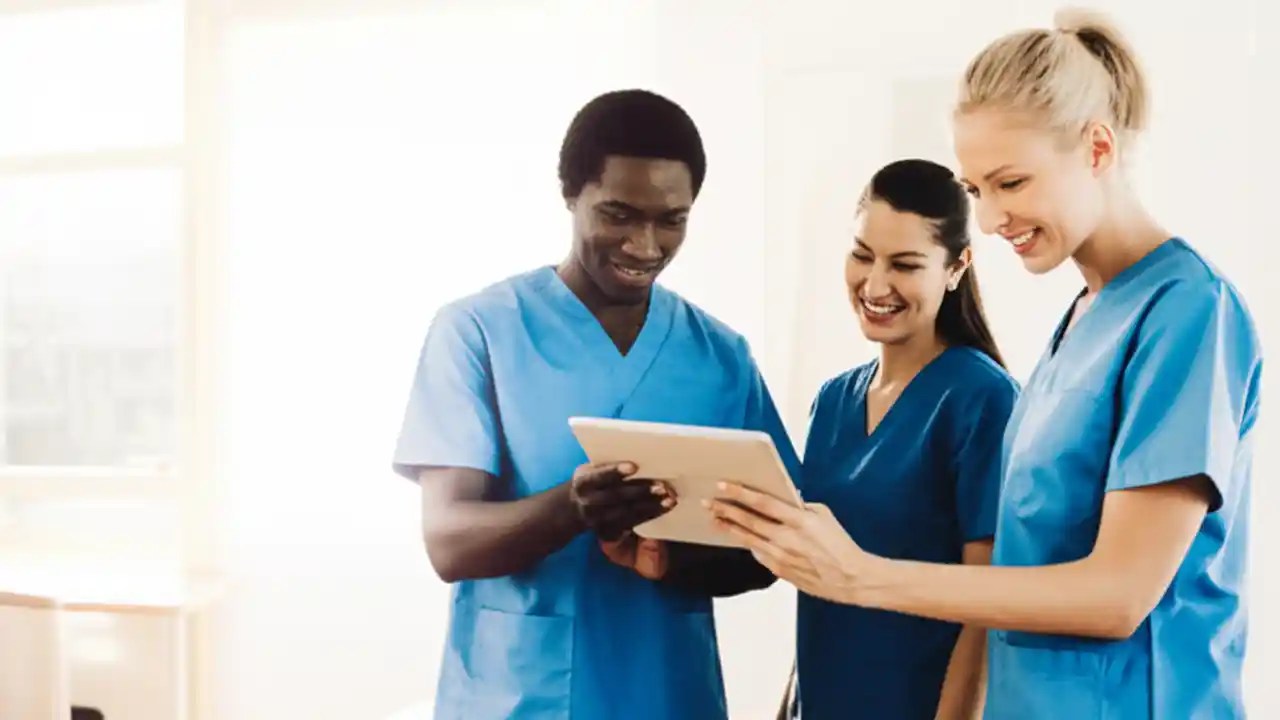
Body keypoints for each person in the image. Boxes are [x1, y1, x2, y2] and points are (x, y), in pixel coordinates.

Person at [709, 9, 1262, 720]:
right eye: (976, 191)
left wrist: (865, 578)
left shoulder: (1189, 312)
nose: (994, 218)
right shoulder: (1083, 319)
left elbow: (1119, 595)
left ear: (1096, 149)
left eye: (1012, 182)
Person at [391, 88, 799, 720]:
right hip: (518, 697)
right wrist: (571, 508)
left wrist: (669, 557)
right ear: (570, 194)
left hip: (670, 693)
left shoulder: (721, 357)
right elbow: (448, 542)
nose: (645, 244)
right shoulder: (480, 332)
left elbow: (770, 550)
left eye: (672, 219)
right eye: (618, 214)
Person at [777, 159, 1017, 720]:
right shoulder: (834, 400)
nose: (875, 284)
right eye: (862, 256)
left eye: (905, 265)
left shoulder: (982, 399)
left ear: (957, 268)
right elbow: (822, 580)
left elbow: (986, 610)